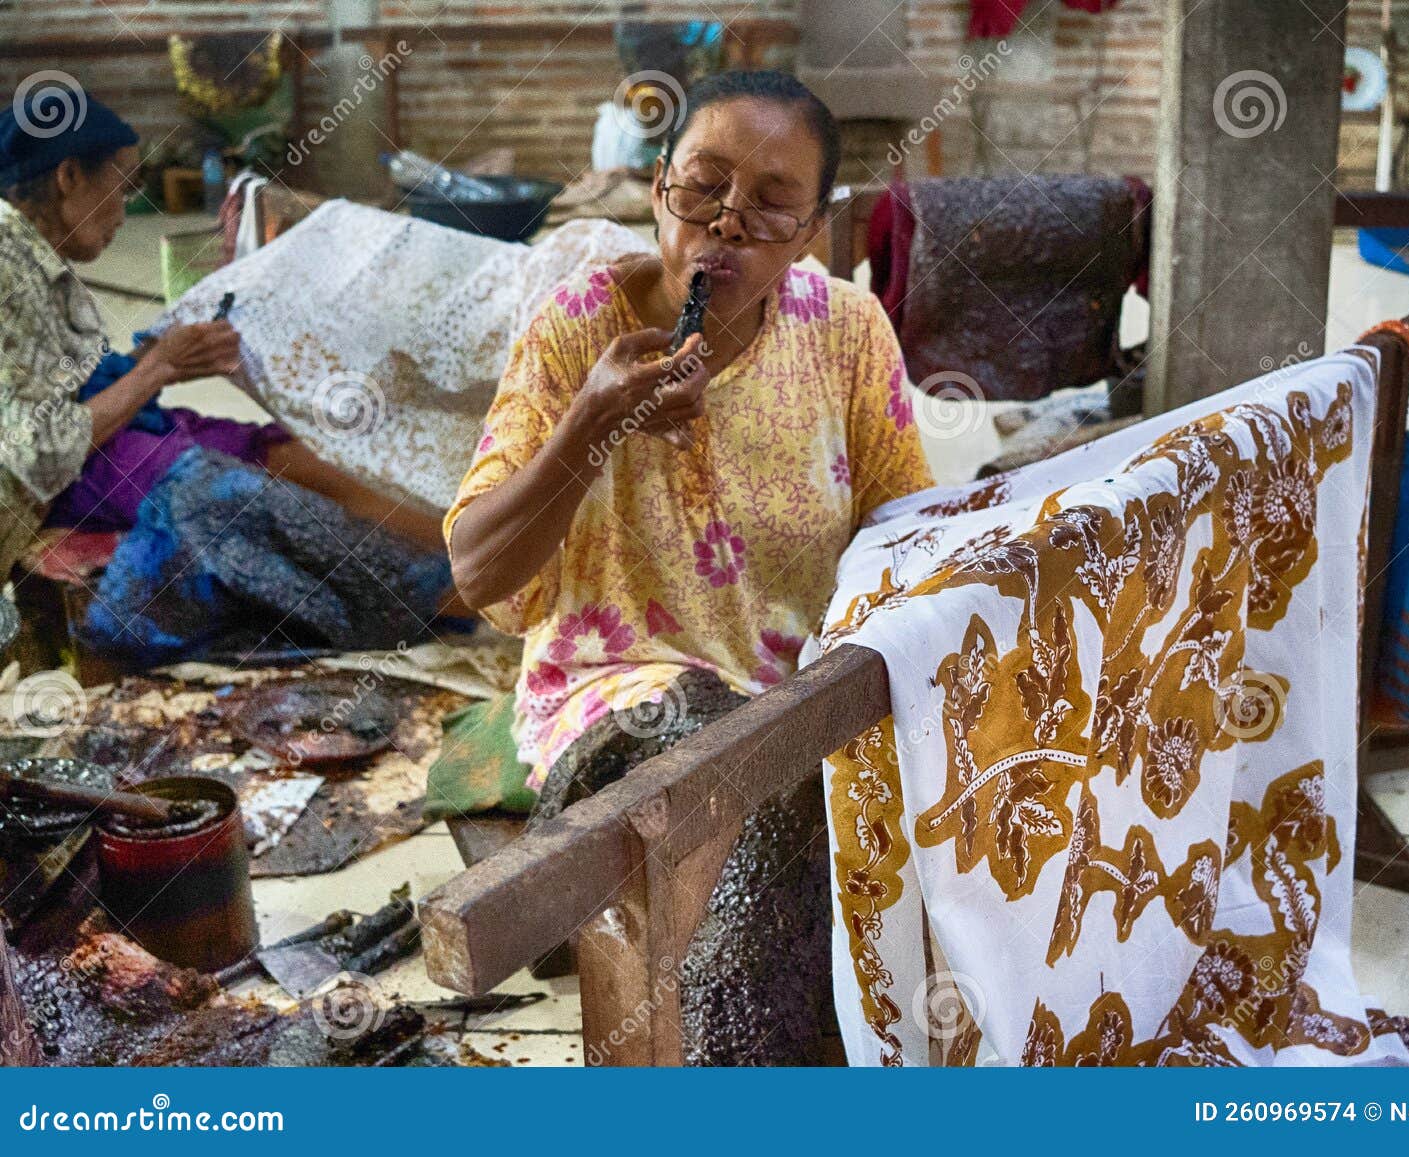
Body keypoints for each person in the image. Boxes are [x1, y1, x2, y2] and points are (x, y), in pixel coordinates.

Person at [443, 70, 934, 1064]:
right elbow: (476, 571)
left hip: (797, 690)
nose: (725, 226)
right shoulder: (580, 325)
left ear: (810, 229)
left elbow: (904, 534)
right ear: (658, 185)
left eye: (769, 206)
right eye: (702, 189)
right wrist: (594, 423)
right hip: (620, 690)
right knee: (726, 758)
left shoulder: (846, 332)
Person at [0, 87, 446, 586]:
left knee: (289, 454)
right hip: (52, 488)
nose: (123, 215)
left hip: (97, 446)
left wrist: (157, 357)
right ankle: (439, 593)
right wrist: (156, 369)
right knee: (238, 492)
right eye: (121, 189)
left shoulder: (33, 256)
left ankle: (484, 567)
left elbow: (72, 382)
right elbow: (33, 452)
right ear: (70, 176)